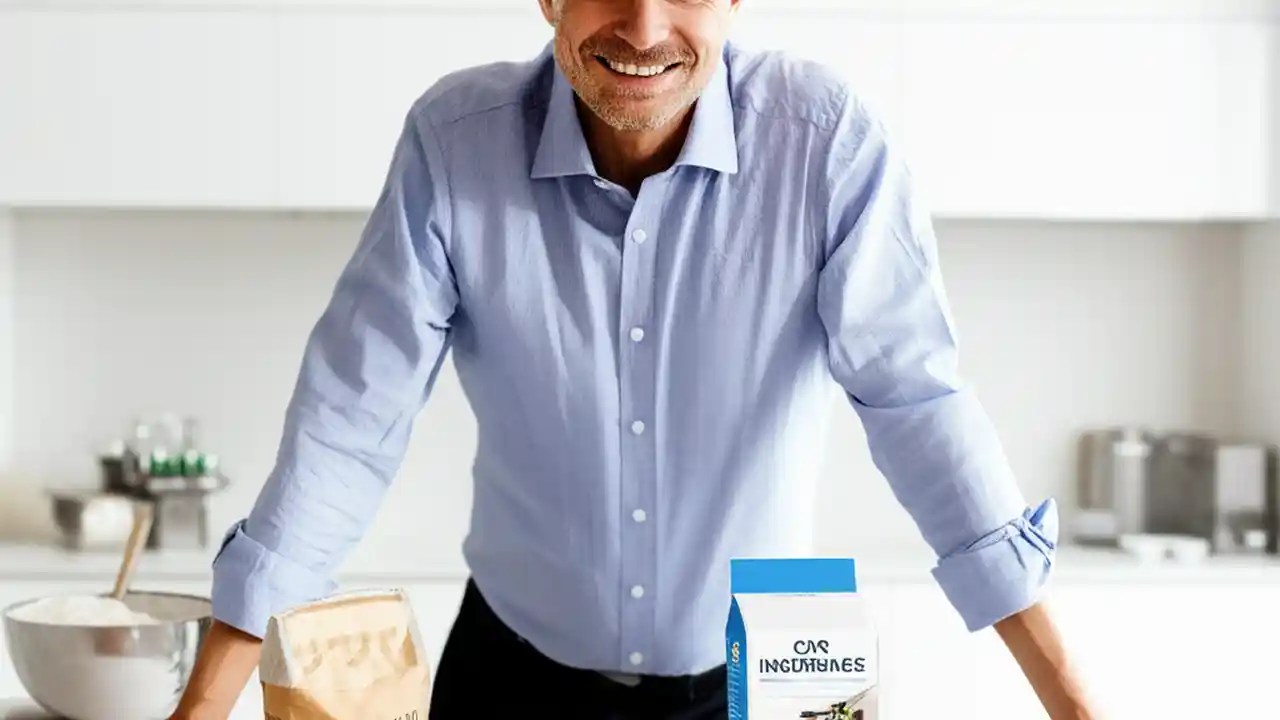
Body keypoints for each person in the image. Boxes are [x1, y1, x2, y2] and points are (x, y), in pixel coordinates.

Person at [173, 1, 1097, 718]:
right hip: (516, 666)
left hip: (787, 655)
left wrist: (1072, 701)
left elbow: (919, 405)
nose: (646, 28)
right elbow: (348, 423)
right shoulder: (454, 143)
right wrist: (205, 701)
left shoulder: (828, 141)